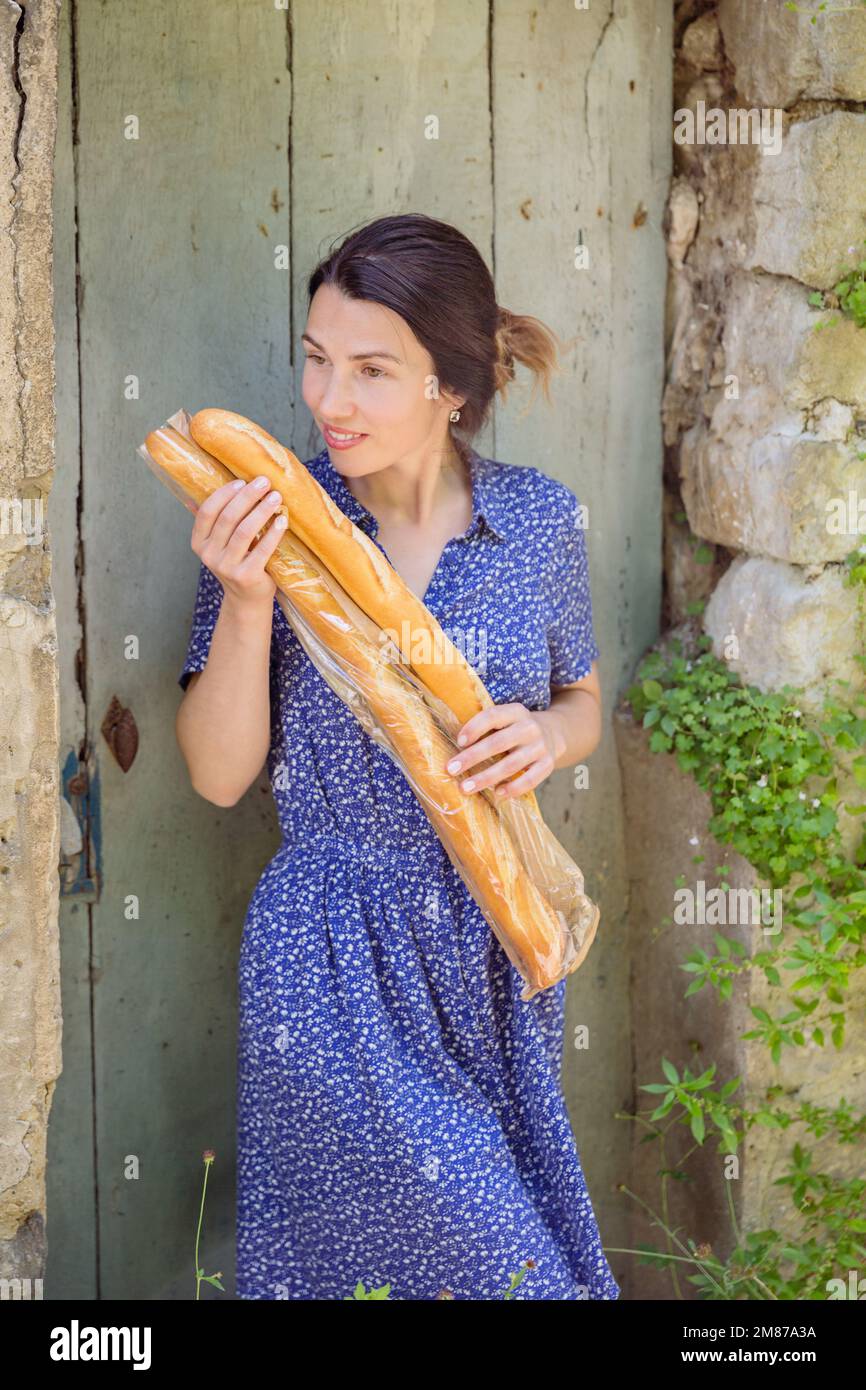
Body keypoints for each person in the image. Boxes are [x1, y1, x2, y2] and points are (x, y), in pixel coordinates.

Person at [175, 212, 618, 1301]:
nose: (328, 401)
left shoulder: (539, 524)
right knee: (504, 1273)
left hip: (491, 939)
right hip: (329, 952)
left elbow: (581, 700)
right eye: (318, 360)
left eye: (372, 370)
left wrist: (545, 738)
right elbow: (217, 774)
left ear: (450, 388)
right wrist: (243, 600)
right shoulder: (273, 525)